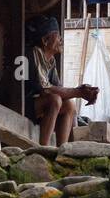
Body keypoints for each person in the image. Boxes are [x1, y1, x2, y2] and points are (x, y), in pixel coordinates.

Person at [26, 16, 99, 147]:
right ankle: (44, 148)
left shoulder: (51, 60)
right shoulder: (35, 53)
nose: (61, 40)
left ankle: (63, 150)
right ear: (45, 40)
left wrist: (81, 90)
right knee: (54, 100)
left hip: (36, 106)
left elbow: (59, 89)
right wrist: (78, 92)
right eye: (58, 36)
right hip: (23, 105)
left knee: (69, 105)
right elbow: (46, 89)